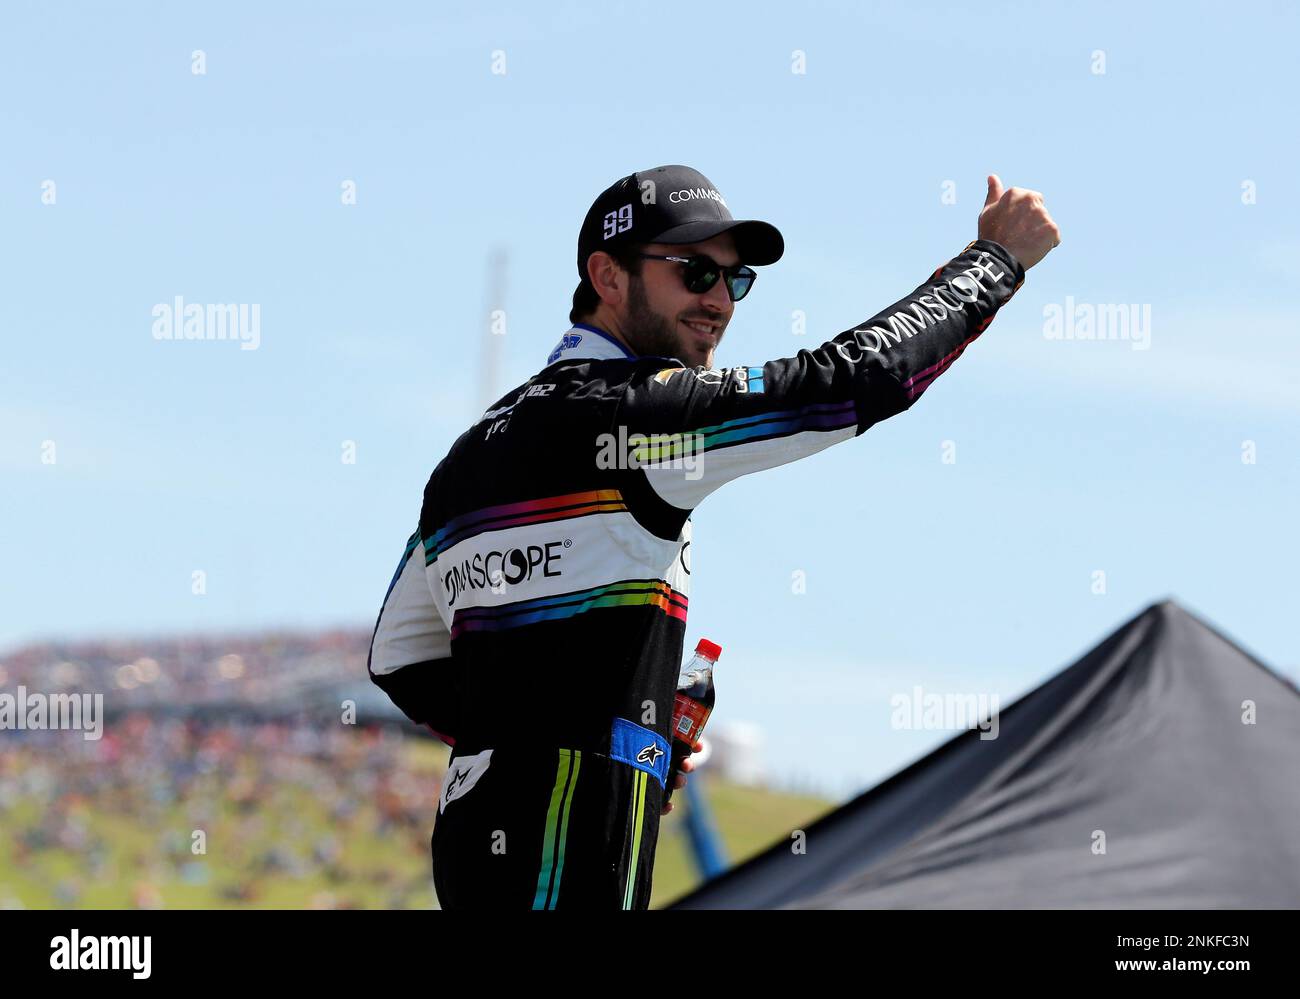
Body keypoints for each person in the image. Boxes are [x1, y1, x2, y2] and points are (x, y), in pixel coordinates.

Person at [367, 164, 1059, 910]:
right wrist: (993, 262)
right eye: (696, 271)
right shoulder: (636, 417)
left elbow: (396, 655)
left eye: (737, 280)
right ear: (607, 275)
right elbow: (847, 383)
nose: (720, 301)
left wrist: (528, 739)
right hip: (564, 841)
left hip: (478, 834)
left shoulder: (467, 455)